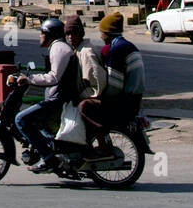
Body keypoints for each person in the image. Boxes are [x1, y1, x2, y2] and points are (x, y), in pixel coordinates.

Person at [14, 17, 80, 173]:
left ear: (49, 34)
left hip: (58, 99)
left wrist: (29, 79)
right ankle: (46, 152)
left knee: (21, 119)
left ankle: (49, 158)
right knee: (36, 121)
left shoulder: (58, 48)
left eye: (41, 33)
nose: (40, 36)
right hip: (58, 97)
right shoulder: (59, 47)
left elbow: (53, 77)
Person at [79, 11, 145, 160]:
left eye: (102, 33)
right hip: (135, 99)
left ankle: (103, 147)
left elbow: (115, 85)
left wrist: (97, 95)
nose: (101, 36)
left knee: (85, 106)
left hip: (125, 102)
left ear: (107, 33)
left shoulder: (117, 50)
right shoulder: (128, 46)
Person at [64, 14, 106, 102]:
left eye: (74, 33)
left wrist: (84, 96)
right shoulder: (77, 49)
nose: (70, 37)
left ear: (80, 33)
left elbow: (98, 81)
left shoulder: (86, 52)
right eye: (68, 33)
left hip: (89, 100)